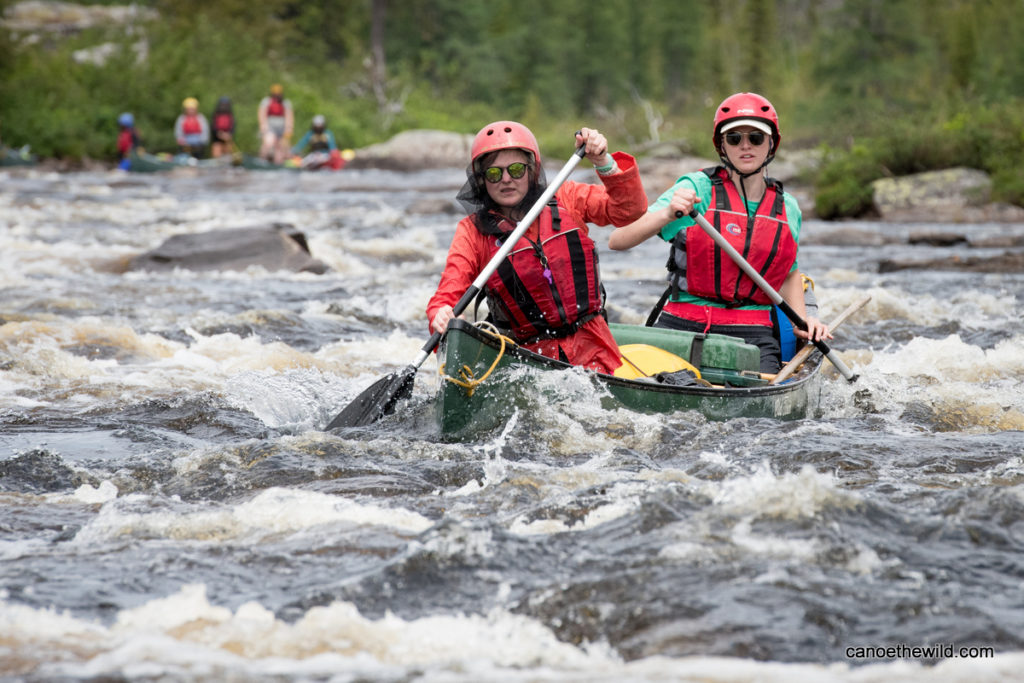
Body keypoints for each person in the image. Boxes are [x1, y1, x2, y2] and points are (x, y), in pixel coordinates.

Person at [607, 92, 830, 373]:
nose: (745, 146)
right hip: (682, 327)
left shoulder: (788, 208)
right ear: (722, 145)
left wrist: (804, 321)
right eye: (734, 138)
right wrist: (667, 213)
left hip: (753, 335)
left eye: (756, 138)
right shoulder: (697, 188)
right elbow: (618, 240)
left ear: (771, 144)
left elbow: (788, 272)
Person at [426, 122, 648, 375]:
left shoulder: (567, 197)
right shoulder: (472, 232)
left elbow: (630, 210)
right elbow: (446, 296)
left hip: (595, 347)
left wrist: (602, 161)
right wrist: (440, 314)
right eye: (494, 173)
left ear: (532, 171)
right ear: (481, 180)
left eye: (517, 169)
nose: (507, 179)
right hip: (525, 361)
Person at [257, 83, 294, 164]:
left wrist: (289, 128)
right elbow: (262, 114)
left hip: (282, 128)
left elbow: (289, 117)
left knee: (282, 147)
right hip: (270, 126)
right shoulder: (266, 101)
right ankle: (261, 160)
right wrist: (263, 125)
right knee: (268, 142)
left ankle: (278, 163)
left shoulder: (285, 103)